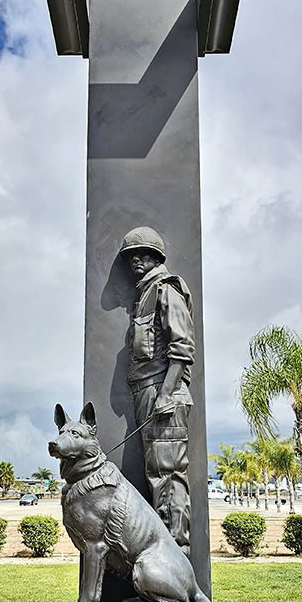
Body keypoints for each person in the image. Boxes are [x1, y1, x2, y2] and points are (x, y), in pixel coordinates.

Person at [120, 226, 195, 554]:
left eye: (143, 253)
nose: (136, 259)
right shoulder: (144, 295)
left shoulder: (166, 290)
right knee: (157, 480)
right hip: (149, 394)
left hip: (163, 395)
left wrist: (166, 394)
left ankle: (176, 564)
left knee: (167, 479)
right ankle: (162, 571)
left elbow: (182, 348)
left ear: (157, 257)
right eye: (131, 256)